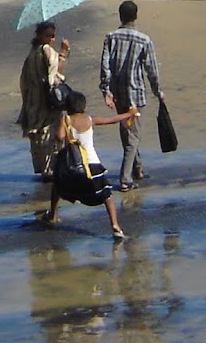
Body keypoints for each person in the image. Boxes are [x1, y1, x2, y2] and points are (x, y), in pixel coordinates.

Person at [40, 88, 135, 239]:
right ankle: (115, 226)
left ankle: (52, 214)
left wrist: (61, 122)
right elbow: (111, 119)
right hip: (93, 166)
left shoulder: (66, 120)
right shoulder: (90, 120)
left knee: (57, 186)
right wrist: (129, 114)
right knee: (107, 197)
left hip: (74, 167)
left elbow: (59, 137)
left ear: (67, 107)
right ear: (84, 108)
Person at [99, 0, 163, 191]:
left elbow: (105, 66)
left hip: (118, 93)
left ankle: (137, 168)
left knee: (128, 133)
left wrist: (106, 90)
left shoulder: (111, 37)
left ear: (121, 16)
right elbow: (152, 70)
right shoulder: (144, 39)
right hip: (135, 94)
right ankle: (125, 179)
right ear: (135, 16)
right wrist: (158, 92)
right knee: (132, 136)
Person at [17, 21, 71, 178]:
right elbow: (56, 74)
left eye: (53, 35)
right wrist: (63, 52)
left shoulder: (32, 52)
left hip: (33, 100)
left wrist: (26, 100)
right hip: (47, 100)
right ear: (40, 35)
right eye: (48, 35)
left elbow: (23, 80)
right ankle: (51, 169)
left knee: (38, 135)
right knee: (50, 133)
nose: (51, 38)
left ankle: (43, 169)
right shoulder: (47, 51)